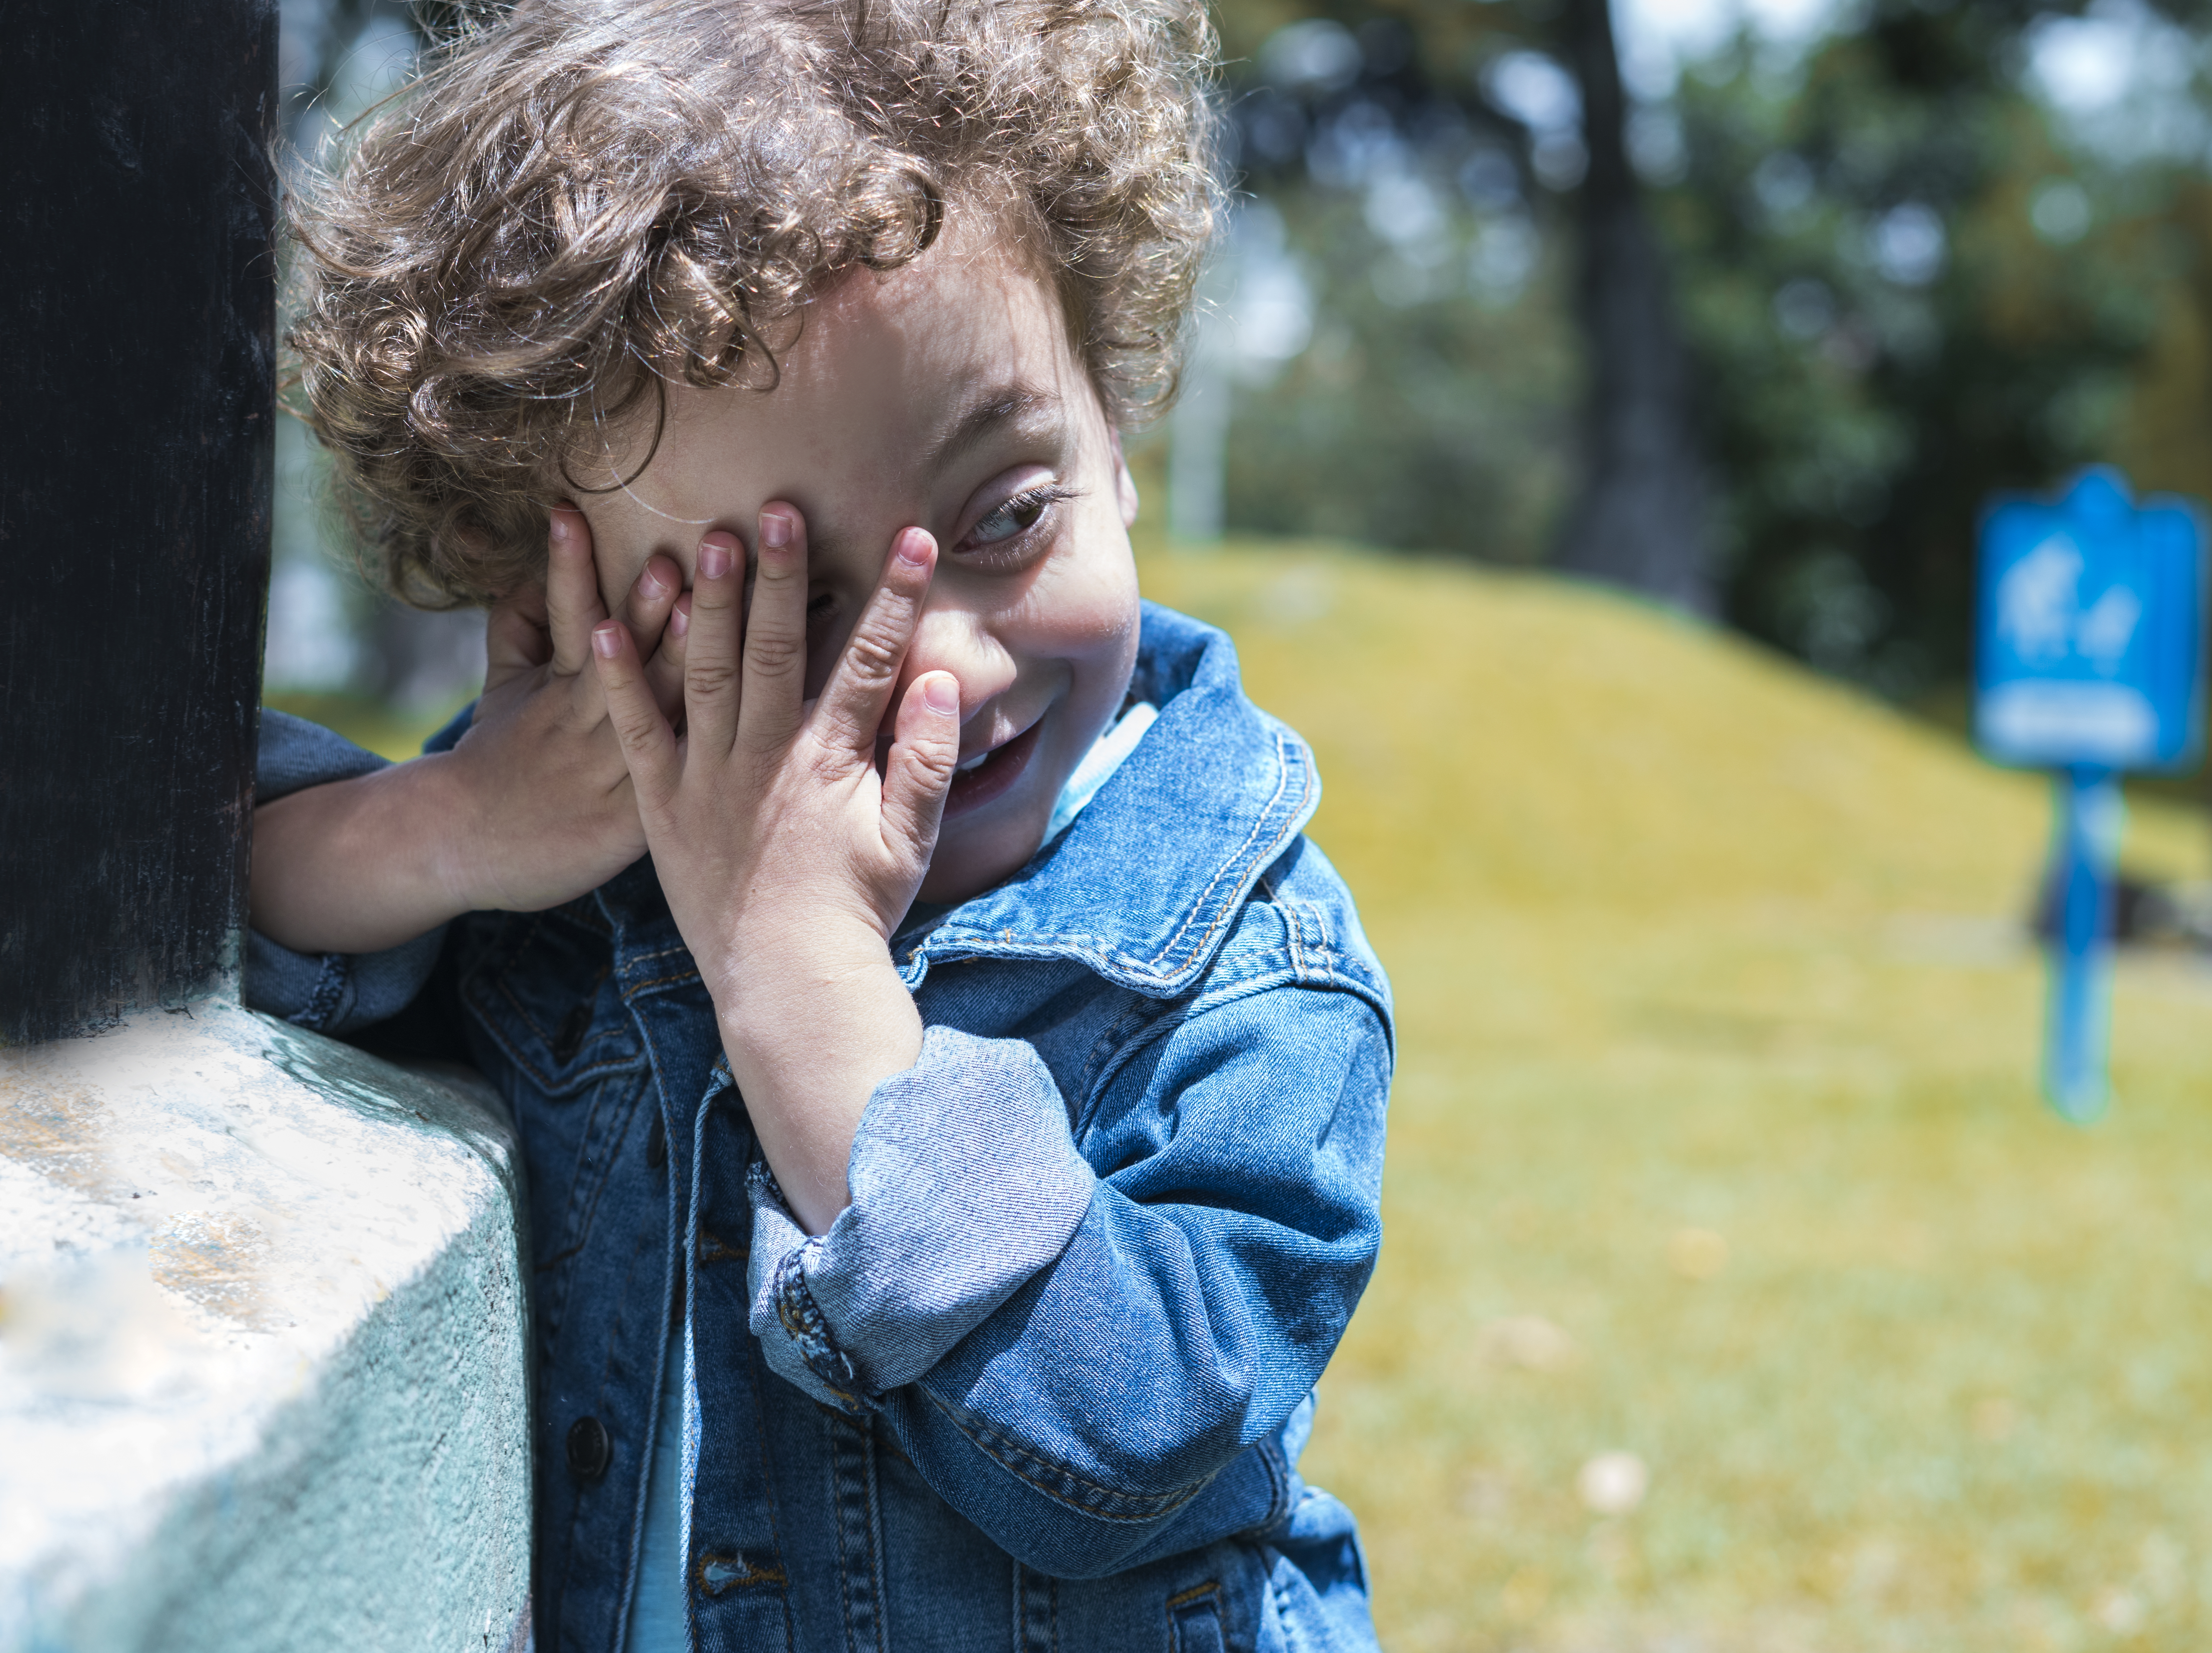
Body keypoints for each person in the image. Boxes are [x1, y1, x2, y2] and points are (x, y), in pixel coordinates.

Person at [243, 2, 1394, 1648]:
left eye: (1007, 515)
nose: (944, 667)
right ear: (585, 626)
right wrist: (447, 827)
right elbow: (186, 917)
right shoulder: (585, 864)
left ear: (1117, 427)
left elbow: (1133, 1445)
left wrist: (798, 972)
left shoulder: (1234, 942)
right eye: (789, 613)